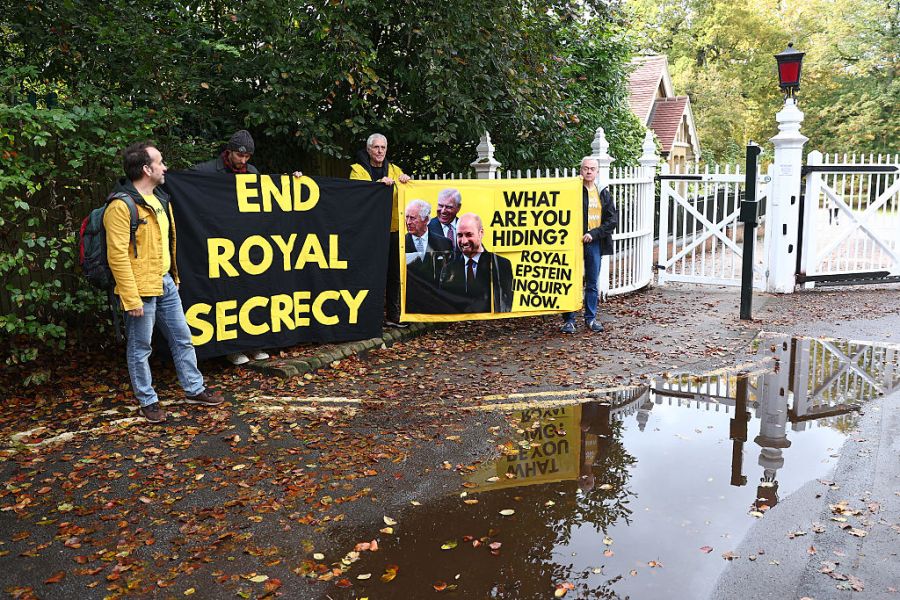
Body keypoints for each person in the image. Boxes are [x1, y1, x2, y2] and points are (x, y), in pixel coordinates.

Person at [105, 142, 222, 424]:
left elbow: (166, 245)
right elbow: (117, 255)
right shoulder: (121, 206)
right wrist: (131, 299)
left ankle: (194, 389)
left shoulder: (161, 199)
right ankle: (147, 400)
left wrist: (174, 278)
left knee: (183, 338)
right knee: (140, 347)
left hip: (166, 284)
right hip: (140, 290)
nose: (165, 167)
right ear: (146, 168)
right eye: (160, 162)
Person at [190, 129, 301, 364]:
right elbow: (185, 189)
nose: (243, 161)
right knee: (227, 295)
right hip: (219, 242)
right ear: (229, 152)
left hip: (247, 245)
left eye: (247, 157)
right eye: (239, 156)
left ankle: (254, 343)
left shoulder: (252, 173)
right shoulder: (205, 171)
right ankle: (231, 349)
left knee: (250, 293)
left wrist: (291, 184)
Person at [349, 133, 411, 328]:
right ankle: (371, 317)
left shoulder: (394, 170)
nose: (380, 151)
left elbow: (406, 195)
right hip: (369, 231)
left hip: (392, 229)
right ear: (368, 150)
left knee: (394, 274)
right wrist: (376, 188)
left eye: (383, 147)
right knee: (371, 273)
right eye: (376, 147)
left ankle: (394, 315)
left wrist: (405, 181)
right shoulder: (357, 171)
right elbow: (356, 195)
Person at [561, 157, 619, 334]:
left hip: (595, 243)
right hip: (573, 244)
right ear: (580, 170)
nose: (588, 171)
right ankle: (569, 320)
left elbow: (612, 220)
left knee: (592, 282)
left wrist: (593, 234)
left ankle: (590, 319)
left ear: (597, 172)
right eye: (585, 168)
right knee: (569, 280)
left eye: (592, 169)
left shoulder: (603, 192)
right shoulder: (572, 191)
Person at [443, 213, 514, 313]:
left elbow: (506, 302)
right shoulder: (448, 269)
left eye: (469, 235)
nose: (463, 241)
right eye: (459, 235)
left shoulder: (501, 264)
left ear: (481, 233)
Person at [403, 199, 453, 314]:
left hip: (437, 307)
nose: (408, 222)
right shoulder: (400, 244)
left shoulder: (444, 244)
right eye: (407, 217)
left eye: (413, 218)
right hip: (410, 308)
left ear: (426, 220)